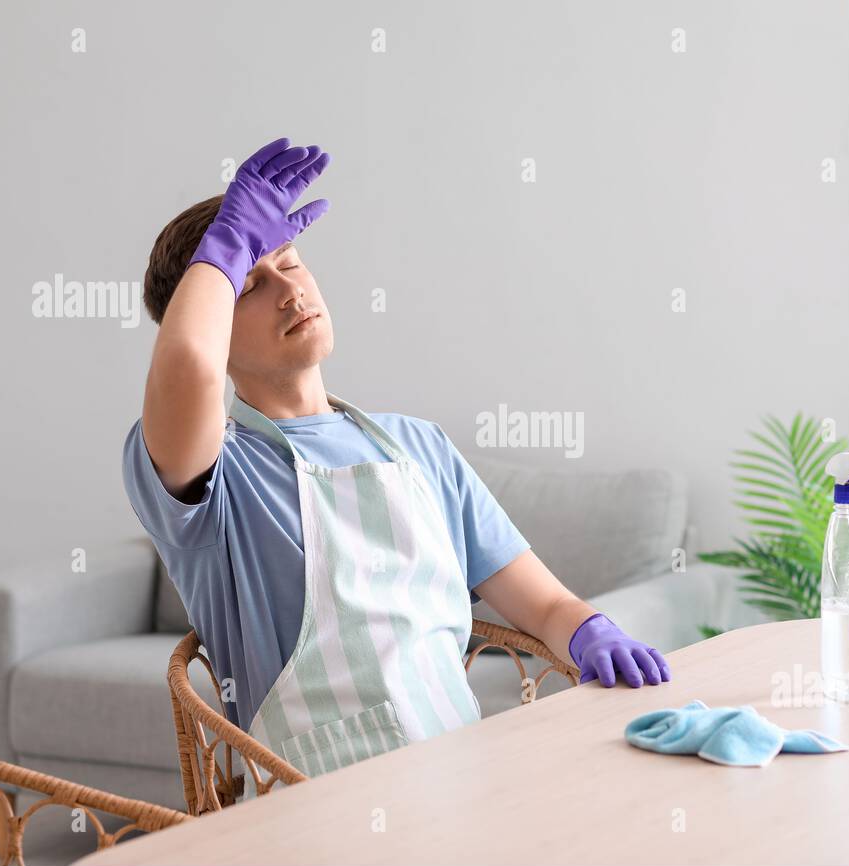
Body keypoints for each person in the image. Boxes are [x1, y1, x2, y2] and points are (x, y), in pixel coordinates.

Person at [122, 136, 671, 782]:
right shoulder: (214, 476)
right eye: (249, 283)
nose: (288, 291)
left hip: (466, 783)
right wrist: (221, 251)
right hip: (311, 815)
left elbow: (545, 606)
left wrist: (592, 633)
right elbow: (187, 363)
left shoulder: (419, 447)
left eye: (290, 263)